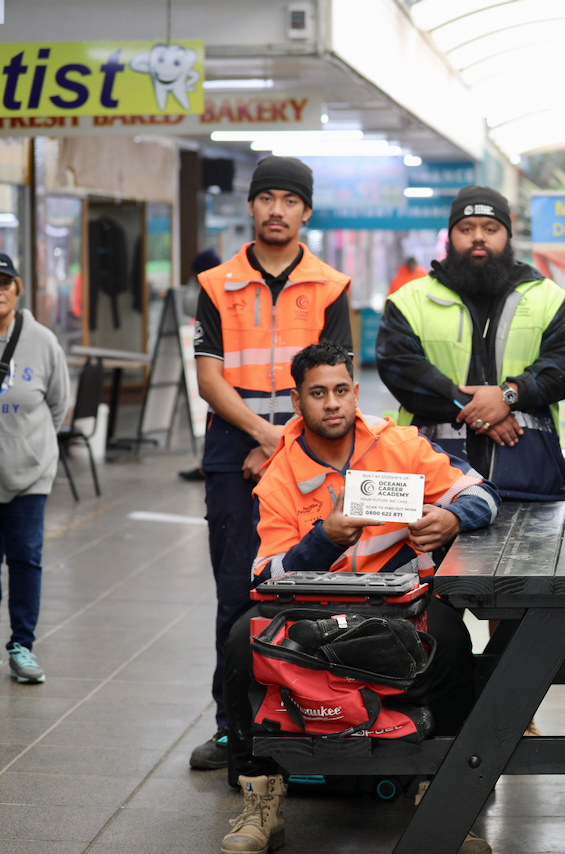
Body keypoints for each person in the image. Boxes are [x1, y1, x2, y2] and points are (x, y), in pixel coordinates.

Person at [221, 341, 499, 854]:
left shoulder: (401, 447)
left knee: (451, 639)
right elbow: (264, 577)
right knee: (241, 640)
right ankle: (262, 802)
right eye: (318, 393)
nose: (332, 404)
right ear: (298, 400)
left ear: (355, 392)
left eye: (342, 391)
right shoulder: (279, 475)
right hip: (309, 615)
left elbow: (482, 491)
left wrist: (453, 517)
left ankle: (442, 798)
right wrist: (323, 539)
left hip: (398, 609)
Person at [190, 156, 354, 771]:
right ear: (251, 207)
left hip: (311, 448)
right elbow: (210, 380)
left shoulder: (332, 285)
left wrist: (282, 447)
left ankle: (311, 715)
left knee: (308, 584)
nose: (277, 209)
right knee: (236, 591)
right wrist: (264, 434)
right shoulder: (216, 284)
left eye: (290, 199)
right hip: (236, 451)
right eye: (267, 198)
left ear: (306, 211)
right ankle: (233, 726)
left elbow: (335, 380)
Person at [377, 185, 565, 501]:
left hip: (530, 480)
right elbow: (400, 368)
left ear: (507, 236)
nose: (478, 237)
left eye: (491, 228)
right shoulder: (410, 300)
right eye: (466, 228)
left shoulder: (548, 298)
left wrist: (507, 395)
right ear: (450, 236)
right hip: (434, 483)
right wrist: (477, 408)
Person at [0, 254, 70, 685]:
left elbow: (58, 405)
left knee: (25, 558)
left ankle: (21, 645)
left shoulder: (41, 340)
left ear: (18, 288)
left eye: (6, 282)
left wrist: (29, 448)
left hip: (29, 473)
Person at [179, 247, 223, 483]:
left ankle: (205, 462)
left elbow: (188, 305)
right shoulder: (219, 286)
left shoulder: (210, 290)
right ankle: (205, 461)